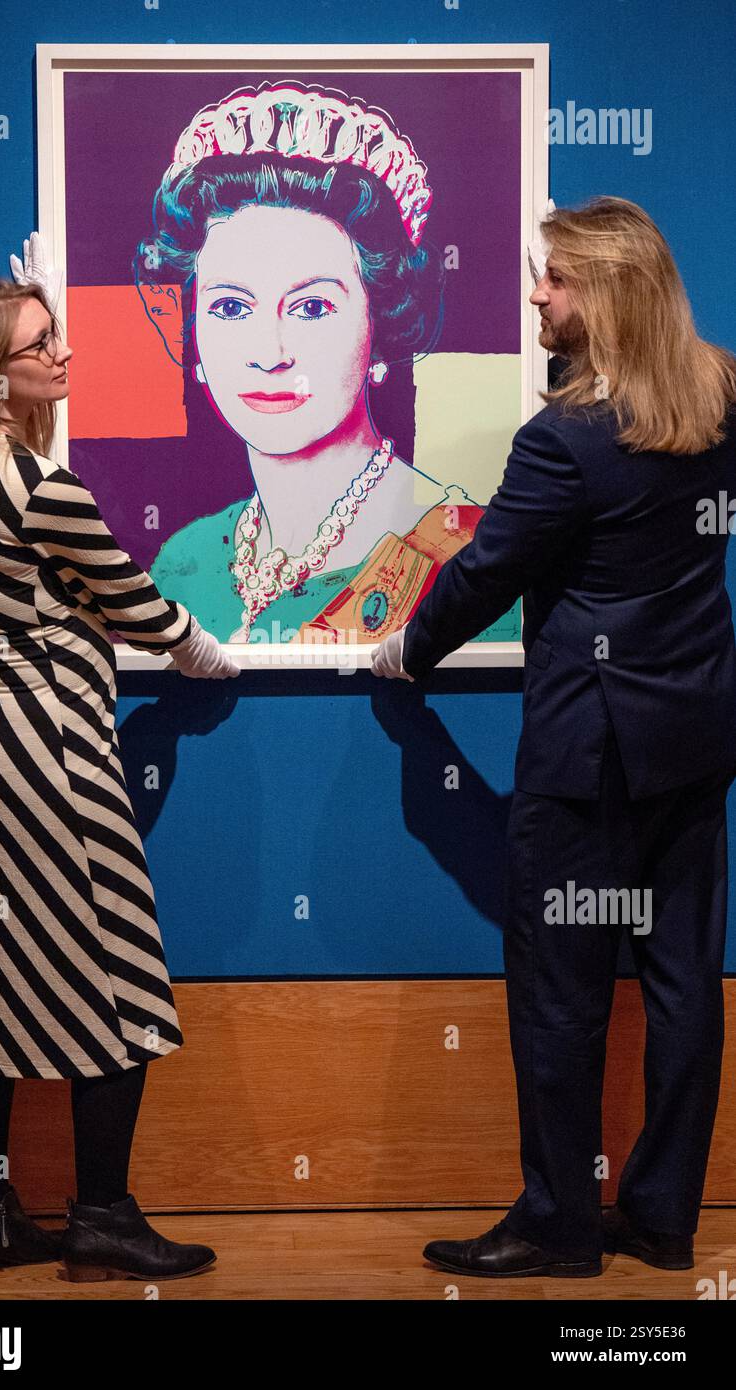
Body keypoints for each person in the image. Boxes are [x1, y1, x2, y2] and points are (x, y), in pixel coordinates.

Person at [372, 196, 736, 1278]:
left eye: (553, 279)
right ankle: (663, 1219)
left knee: (560, 992)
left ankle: (558, 1224)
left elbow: (485, 572)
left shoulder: (564, 441)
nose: (535, 292)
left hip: (586, 759)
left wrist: (407, 651)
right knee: (681, 982)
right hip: (693, 742)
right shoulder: (719, 393)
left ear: (606, 294)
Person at [0, 275, 239, 1282]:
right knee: (119, 975)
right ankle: (101, 1216)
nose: (62, 360)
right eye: (39, 348)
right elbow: (133, 598)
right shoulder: (40, 486)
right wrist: (201, 651)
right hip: (46, 748)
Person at [137, 80, 517, 650]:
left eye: (312, 307)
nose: (270, 352)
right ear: (195, 337)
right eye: (231, 307)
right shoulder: (182, 564)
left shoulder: (469, 556)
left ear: (381, 327)